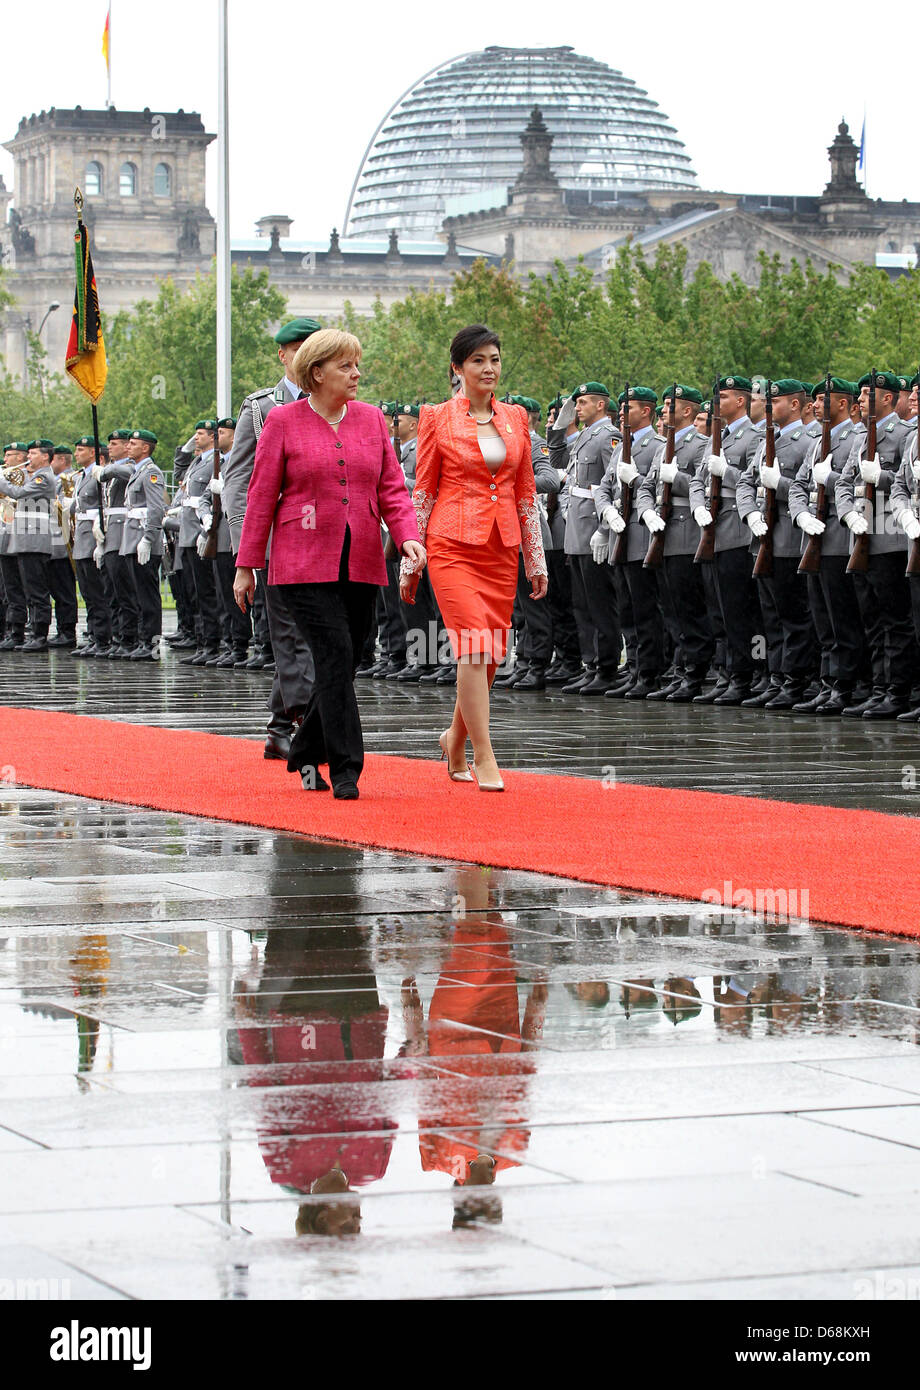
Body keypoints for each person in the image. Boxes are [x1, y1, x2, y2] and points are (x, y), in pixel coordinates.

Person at [234, 328, 425, 799]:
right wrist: (246, 563)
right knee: (334, 656)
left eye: (357, 364)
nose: (357, 374)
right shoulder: (281, 421)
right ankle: (345, 767)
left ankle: (300, 747)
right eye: (346, 366)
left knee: (354, 655)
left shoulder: (372, 420)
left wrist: (408, 538)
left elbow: (391, 489)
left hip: (361, 558)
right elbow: (260, 496)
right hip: (300, 564)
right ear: (316, 373)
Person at [400, 324, 547, 791]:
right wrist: (411, 558)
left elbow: (525, 494)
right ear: (457, 368)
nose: (489, 369)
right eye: (478, 360)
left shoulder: (517, 418)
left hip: (501, 549)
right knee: (473, 645)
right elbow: (423, 491)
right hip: (451, 545)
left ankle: (454, 739)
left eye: (495, 359)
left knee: (489, 658)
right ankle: (486, 755)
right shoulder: (436, 417)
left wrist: (535, 558)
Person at [223, 316, 321, 759]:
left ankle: (280, 725)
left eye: (313, 346)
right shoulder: (262, 408)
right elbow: (238, 481)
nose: (304, 354)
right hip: (280, 541)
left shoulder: (336, 403)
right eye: (296, 348)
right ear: (282, 355)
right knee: (290, 634)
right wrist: (250, 549)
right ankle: (302, 723)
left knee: (322, 637)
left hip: (326, 540)